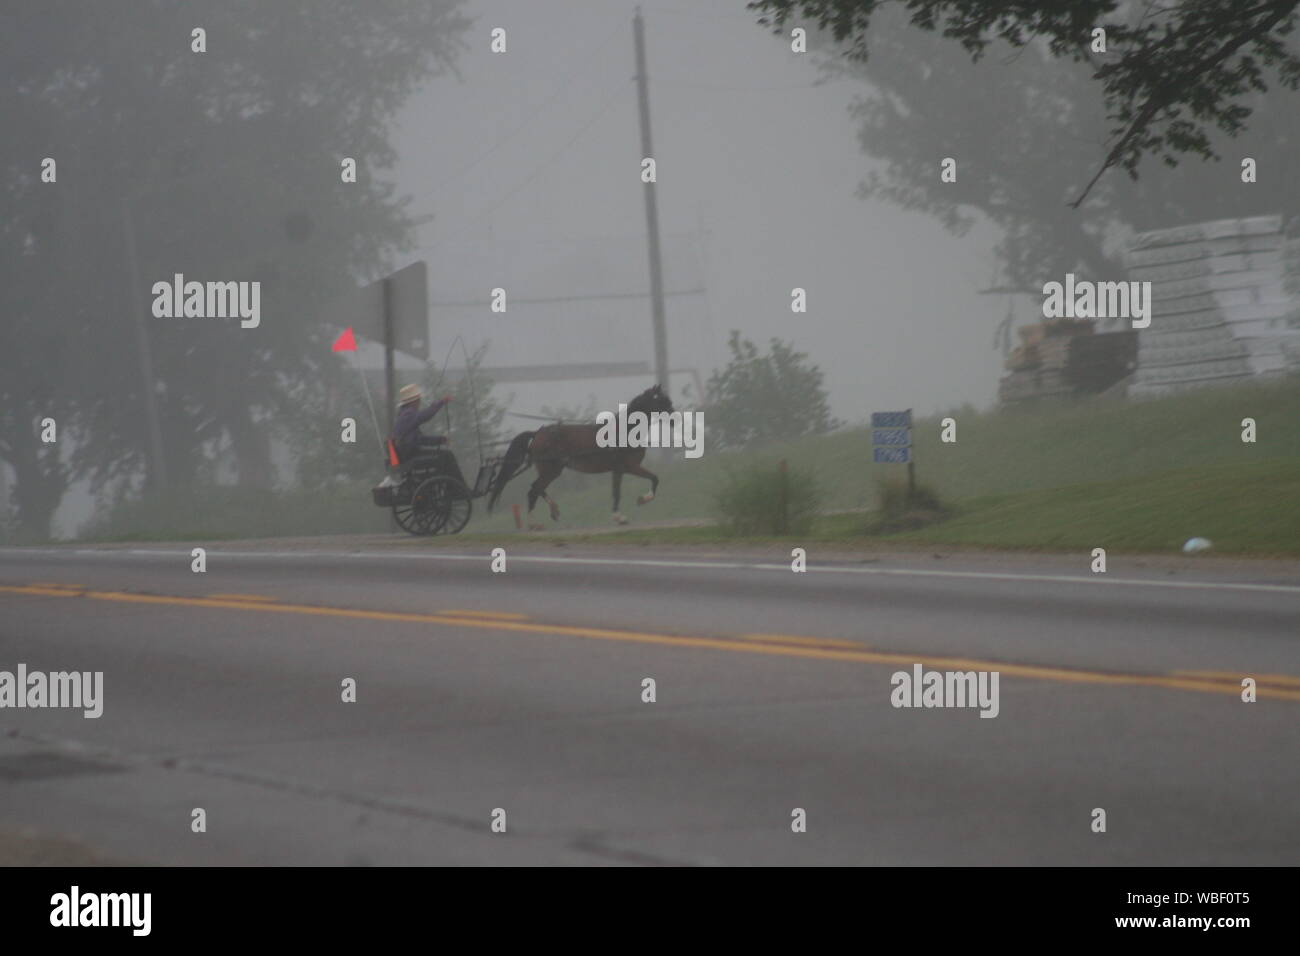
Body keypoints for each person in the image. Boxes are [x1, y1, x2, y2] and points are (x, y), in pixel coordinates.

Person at [390, 384, 452, 464]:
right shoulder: (408, 415)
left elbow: (420, 440)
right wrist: (441, 402)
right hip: (410, 453)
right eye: (418, 400)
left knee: (444, 455)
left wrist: (440, 440)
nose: (419, 402)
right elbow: (426, 415)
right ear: (413, 401)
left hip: (408, 453)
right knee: (447, 456)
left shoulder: (405, 416)